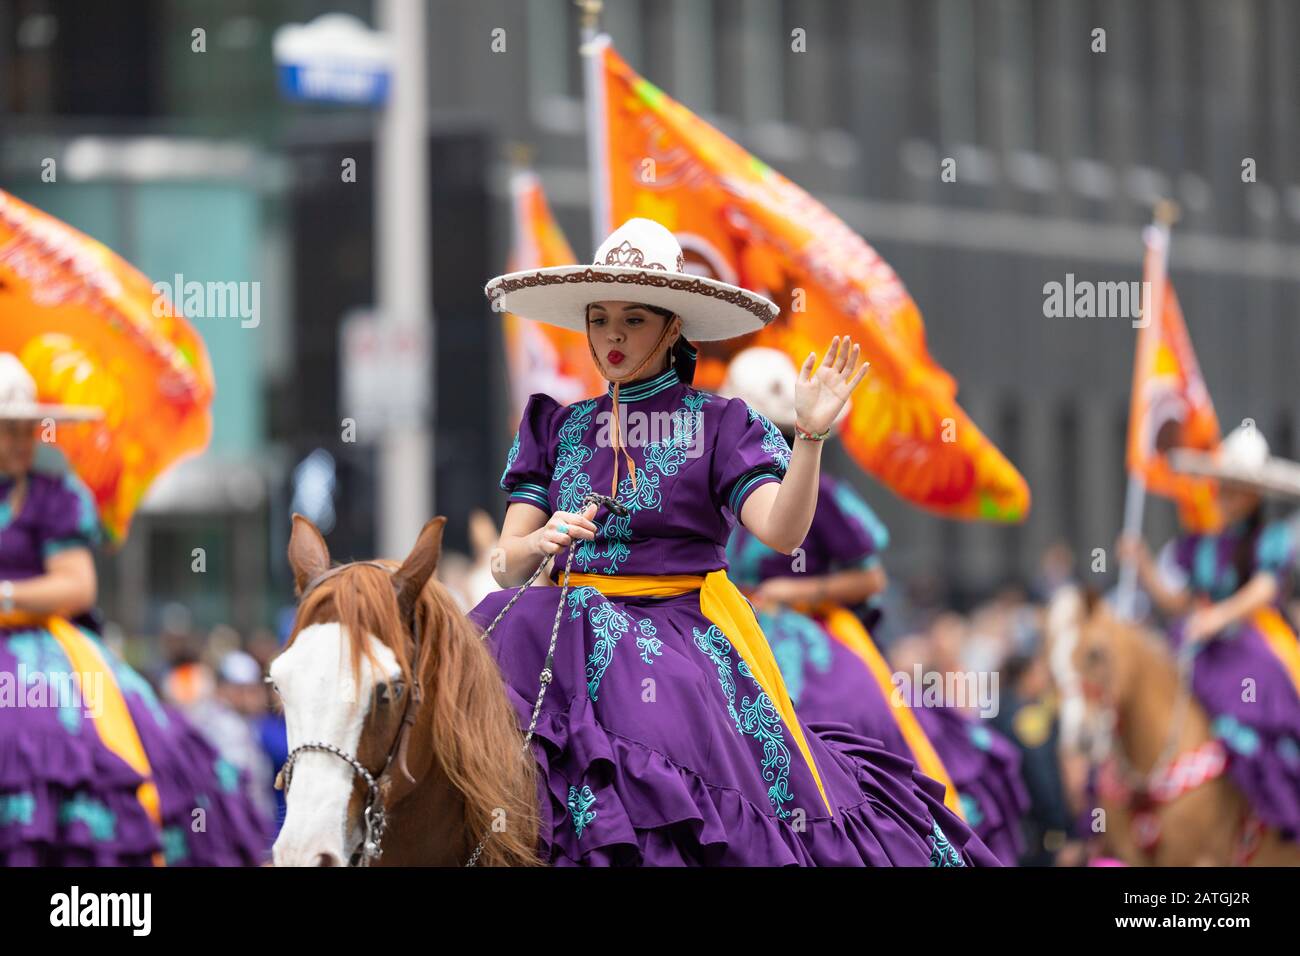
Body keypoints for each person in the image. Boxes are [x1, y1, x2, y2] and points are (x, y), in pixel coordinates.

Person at [468, 217, 996, 865]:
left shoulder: (720, 423)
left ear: (672, 327)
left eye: (633, 319)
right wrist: (540, 541)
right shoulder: (556, 426)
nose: (612, 334)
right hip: (551, 626)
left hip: (672, 636)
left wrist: (809, 437)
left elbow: (781, 529)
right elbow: (502, 565)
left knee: (661, 750)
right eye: (599, 317)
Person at [721, 346, 1029, 864]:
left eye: (769, 426)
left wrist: (789, 594)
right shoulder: (722, 495)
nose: (761, 437)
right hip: (728, 626)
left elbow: (871, 576)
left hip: (803, 635)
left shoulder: (816, 494)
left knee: (840, 716)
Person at [0, 353, 268, 865]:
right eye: (7, 430)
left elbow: (76, 586)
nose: (19, 441)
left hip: (48, 652)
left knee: (39, 729)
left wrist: (7, 598)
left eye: (26, 429)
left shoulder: (56, 498)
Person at [1118, 423, 1300, 841]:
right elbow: (1178, 601)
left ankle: (1264, 812)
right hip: (1198, 641)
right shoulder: (1201, 544)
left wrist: (1219, 616)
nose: (1224, 495)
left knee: (1255, 700)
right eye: (1223, 486)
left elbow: (1265, 589)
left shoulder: (1270, 540)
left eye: (1235, 488)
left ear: (1253, 495)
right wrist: (1143, 564)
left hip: (1251, 639)